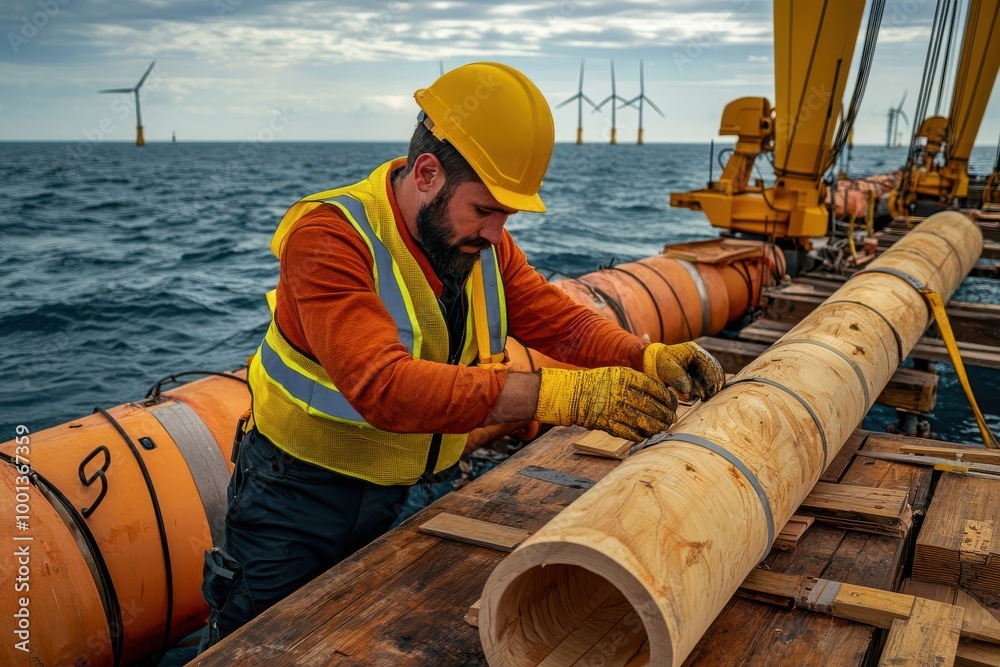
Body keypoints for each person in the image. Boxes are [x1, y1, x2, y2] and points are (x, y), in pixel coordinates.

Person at [200, 61, 725, 648]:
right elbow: (384, 388)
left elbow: (561, 322)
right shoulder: (330, 238)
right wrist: (560, 395)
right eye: (485, 210)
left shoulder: (484, 247)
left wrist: (644, 357)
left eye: (508, 215)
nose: (499, 233)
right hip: (296, 501)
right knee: (254, 648)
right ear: (427, 174)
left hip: (414, 488)